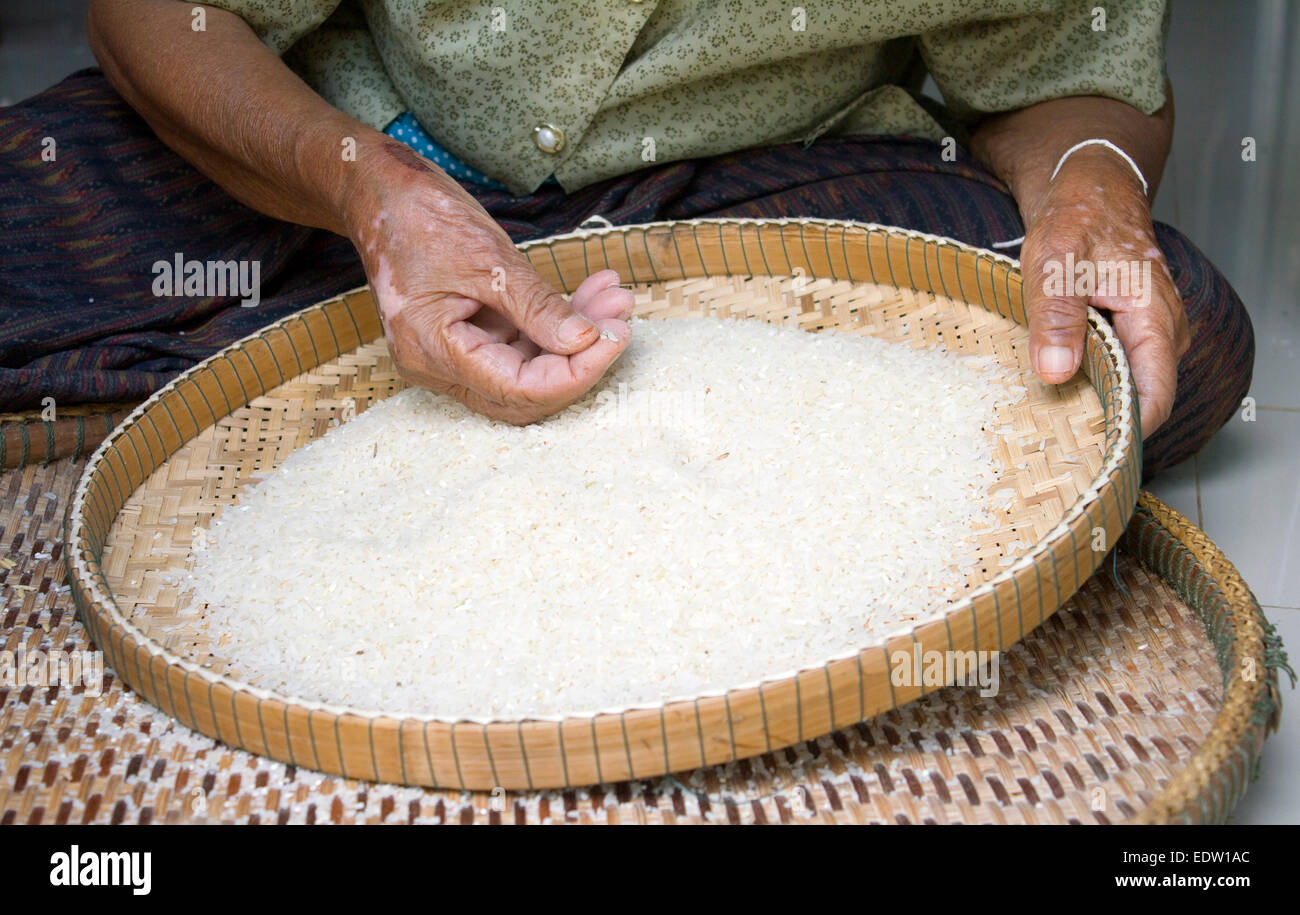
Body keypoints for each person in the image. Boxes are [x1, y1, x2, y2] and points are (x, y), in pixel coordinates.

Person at [1, 0, 1252, 478]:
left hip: (758, 196)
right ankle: (369, 314)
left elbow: (1073, 69)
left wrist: (1089, 194)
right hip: (362, 153)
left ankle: (284, 367)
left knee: (1151, 346)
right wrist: (373, 195)